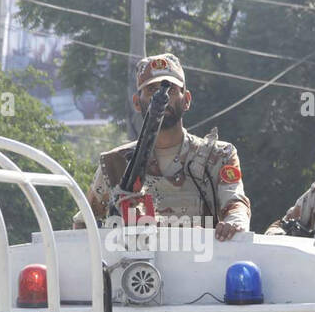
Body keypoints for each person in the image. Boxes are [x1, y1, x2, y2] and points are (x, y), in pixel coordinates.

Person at [83, 53, 249, 240]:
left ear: (186, 100)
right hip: (135, 266)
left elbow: (235, 203)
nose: (160, 97)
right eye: (151, 89)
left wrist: (234, 223)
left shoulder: (218, 155)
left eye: (170, 89)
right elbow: (84, 224)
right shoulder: (116, 163)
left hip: (203, 264)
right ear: (137, 103)